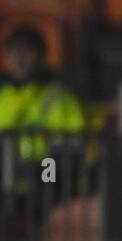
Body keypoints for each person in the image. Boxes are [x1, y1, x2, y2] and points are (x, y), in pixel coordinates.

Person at [0, 25, 84, 160]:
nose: (19, 58)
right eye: (13, 51)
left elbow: (71, 146)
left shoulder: (59, 97)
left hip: (45, 173)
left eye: (27, 51)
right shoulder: (2, 95)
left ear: (42, 57)